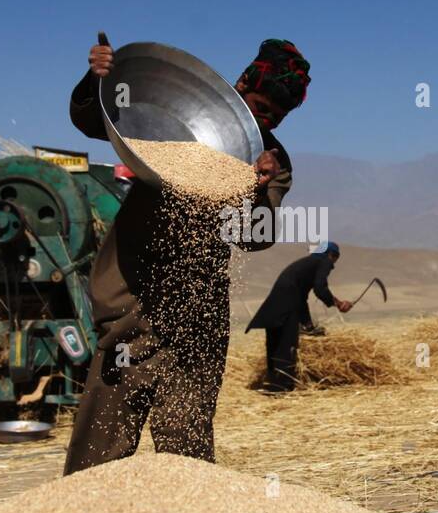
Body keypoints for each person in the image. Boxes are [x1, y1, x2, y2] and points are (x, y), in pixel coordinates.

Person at [62, 35, 312, 474]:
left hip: (196, 319)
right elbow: (94, 119)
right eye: (256, 104)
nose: (263, 118)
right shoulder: (184, 124)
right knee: (100, 449)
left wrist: (255, 188)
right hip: (131, 304)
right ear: (239, 87)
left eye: (276, 116)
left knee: (187, 453)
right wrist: (96, 78)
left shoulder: (272, 162)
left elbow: (254, 236)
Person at [246, 242, 351, 391]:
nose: (333, 265)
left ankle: (272, 384)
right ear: (332, 255)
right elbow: (320, 288)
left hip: (276, 302)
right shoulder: (324, 261)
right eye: (335, 259)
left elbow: (301, 299)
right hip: (288, 303)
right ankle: (281, 388)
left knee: (275, 342)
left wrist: (308, 324)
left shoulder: (306, 264)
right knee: (288, 344)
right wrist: (339, 303)